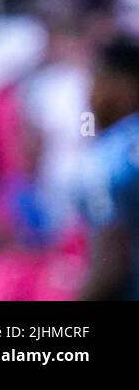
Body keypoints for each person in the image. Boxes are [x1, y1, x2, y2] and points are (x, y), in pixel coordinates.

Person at [79, 33, 139, 300]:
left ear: (125, 86)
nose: (90, 94)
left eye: (97, 80)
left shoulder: (111, 157)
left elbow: (111, 266)